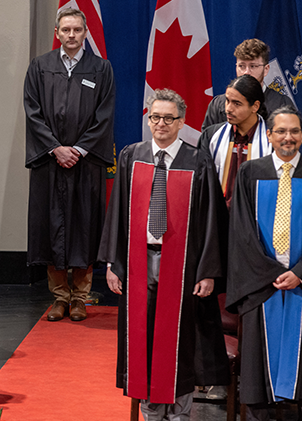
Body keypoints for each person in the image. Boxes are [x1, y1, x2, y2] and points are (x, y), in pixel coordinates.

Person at [99, 89, 229, 419]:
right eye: (155, 117)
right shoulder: (132, 156)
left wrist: (207, 270)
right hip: (139, 261)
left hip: (183, 267)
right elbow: (117, 213)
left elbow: (213, 219)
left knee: (182, 341)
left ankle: (180, 412)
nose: (160, 124)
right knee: (142, 338)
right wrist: (114, 263)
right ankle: (151, 411)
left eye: (168, 118)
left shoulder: (197, 161)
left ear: (181, 122)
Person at [24, 7, 115, 322]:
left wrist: (77, 149)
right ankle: (59, 297)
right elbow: (32, 112)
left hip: (85, 164)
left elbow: (104, 115)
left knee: (83, 228)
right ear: (57, 32)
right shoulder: (40, 67)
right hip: (51, 163)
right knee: (51, 229)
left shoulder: (100, 69)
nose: (72, 35)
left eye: (77, 30)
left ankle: (80, 297)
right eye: (66, 30)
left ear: (86, 32)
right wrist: (54, 149)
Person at [226, 106, 302, 420]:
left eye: (295, 131)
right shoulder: (250, 172)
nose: (289, 137)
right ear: (269, 135)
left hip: (300, 283)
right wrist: (271, 273)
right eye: (281, 131)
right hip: (261, 285)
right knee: (260, 389)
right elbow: (241, 233)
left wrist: (299, 273)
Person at [199, 74, 271, 208]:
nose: (228, 109)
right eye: (227, 101)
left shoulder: (272, 140)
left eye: (237, 103)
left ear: (255, 106)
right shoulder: (211, 137)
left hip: (255, 221)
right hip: (219, 221)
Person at [203, 38, 295, 128]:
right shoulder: (219, 104)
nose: (246, 72)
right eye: (241, 66)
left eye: (253, 66)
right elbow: (207, 140)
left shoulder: (281, 104)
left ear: (266, 69)